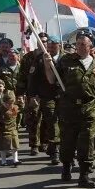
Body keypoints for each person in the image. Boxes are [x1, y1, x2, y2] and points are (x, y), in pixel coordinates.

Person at [45, 31, 95, 187]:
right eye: (78, 44)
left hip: (89, 108)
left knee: (87, 142)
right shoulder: (66, 61)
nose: (80, 47)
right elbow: (51, 79)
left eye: (83, 44)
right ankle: (66, 167)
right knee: (68, 141)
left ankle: (84, 175)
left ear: (91, 46)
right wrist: (47, 64)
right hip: (69, 107)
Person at [28, 36, 62, 164]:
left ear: (59, 45)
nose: (51, 49)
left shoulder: (66, 59)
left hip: (63, 96)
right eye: (49, 46)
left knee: (63, 123)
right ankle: (55, 151)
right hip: (47, 96)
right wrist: (32, 96)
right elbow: (33, 79)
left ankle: (58, 147)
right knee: (52, 122)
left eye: (54, 46)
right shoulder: (40, 59)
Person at [17, 33, 49, 155]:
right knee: (33, 120)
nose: (43, 43)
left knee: (46, 120)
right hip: (32, 94)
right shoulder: (28, 58)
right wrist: (20, 94)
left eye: (45, 41)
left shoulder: (50, 57)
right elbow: (22, 77)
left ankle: (44, 142)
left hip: (47, 94)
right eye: (40, 40)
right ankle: (34, 145)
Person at [0, 90, 20, 167]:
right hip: (3, 130)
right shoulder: (0, 109)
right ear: (3, 102)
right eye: (7, 104)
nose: (9, 105)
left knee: (14, 146)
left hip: (13, 130)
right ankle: (3, 161)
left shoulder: (15, 107)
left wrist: (23, 104)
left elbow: (22, 111)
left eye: (11, 103)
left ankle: (15, 160)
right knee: (3, 148)